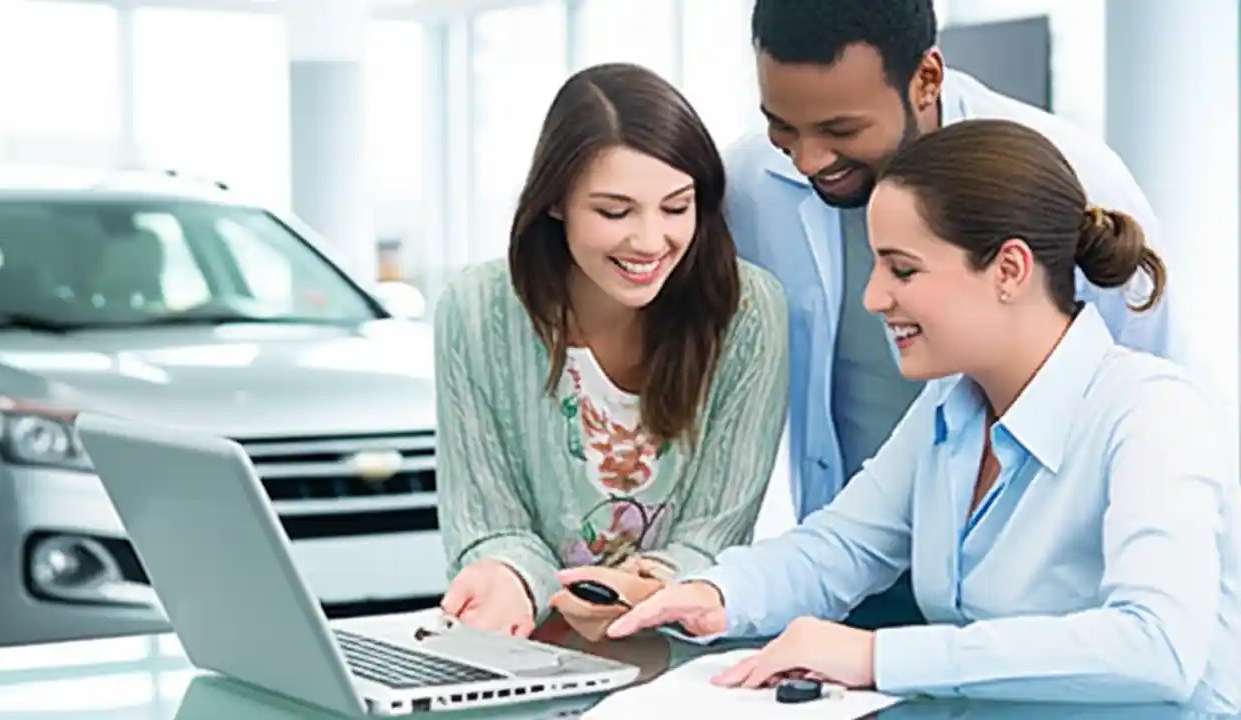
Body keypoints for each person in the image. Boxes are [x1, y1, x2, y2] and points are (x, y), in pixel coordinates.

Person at [606, 119, 1241, 713]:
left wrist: (875, 655)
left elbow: (1157, 645)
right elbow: (840, 546)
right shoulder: (952, 406)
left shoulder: (1152, 412)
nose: (874, 297)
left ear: (1009, 270)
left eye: (902, 269)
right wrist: (711, 596)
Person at [728, 0, 1176, 628]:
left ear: (927, 79)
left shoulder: (1074, 183)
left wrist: (882, 659)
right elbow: (837, 547)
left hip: (1059, 603)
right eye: (783, 127)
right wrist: (701, 588)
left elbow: (1130, 383)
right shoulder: (748, 182)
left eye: (841, 130)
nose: (806, 160)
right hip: (865, 564)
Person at [434, 63, 789, 642]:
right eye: (614, 212)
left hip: (682, 660)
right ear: (555, 202)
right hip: (527, 650)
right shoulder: (476, 309)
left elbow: (715, 536)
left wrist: (654, 587)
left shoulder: (748, 312)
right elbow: (488, 521)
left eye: (676, 208)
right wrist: (507, 576)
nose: (650, 241)